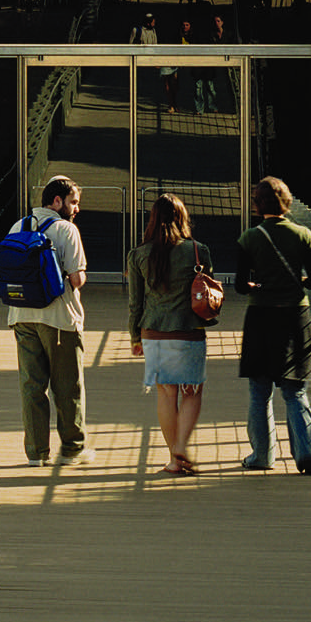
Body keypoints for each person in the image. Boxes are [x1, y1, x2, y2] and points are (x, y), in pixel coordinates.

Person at [236, 174, 311, 473]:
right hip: (294, 316)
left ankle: (262, 456)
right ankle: (308, 454)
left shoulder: (249, 237)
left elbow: (239, 285)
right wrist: (296, 279)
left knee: (259, 393)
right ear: (287, 202)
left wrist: (258, 285)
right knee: (295, 391)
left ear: (258, 205)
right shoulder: (304, 235)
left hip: (261, 316)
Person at [6, 174, 90, 466]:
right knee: (67, 386)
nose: (76, 208)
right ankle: (72, 449)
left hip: (20, 316)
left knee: (32, 386)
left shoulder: (19, 225)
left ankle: (36, 452)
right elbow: (77, 280)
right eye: (73, 202)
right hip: (59, 320)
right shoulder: (67, 230)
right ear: (58, 201)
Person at [132, 191, 211, 475]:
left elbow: (135, 301)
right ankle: (181, 445)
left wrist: (134, 337)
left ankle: (173, 460)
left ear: (153, 219)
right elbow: (206, 291)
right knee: (192, 391)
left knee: (166, 394)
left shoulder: (139, 254)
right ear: (182, 218)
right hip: (189, 331)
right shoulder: (197, 251)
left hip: (153, 331)